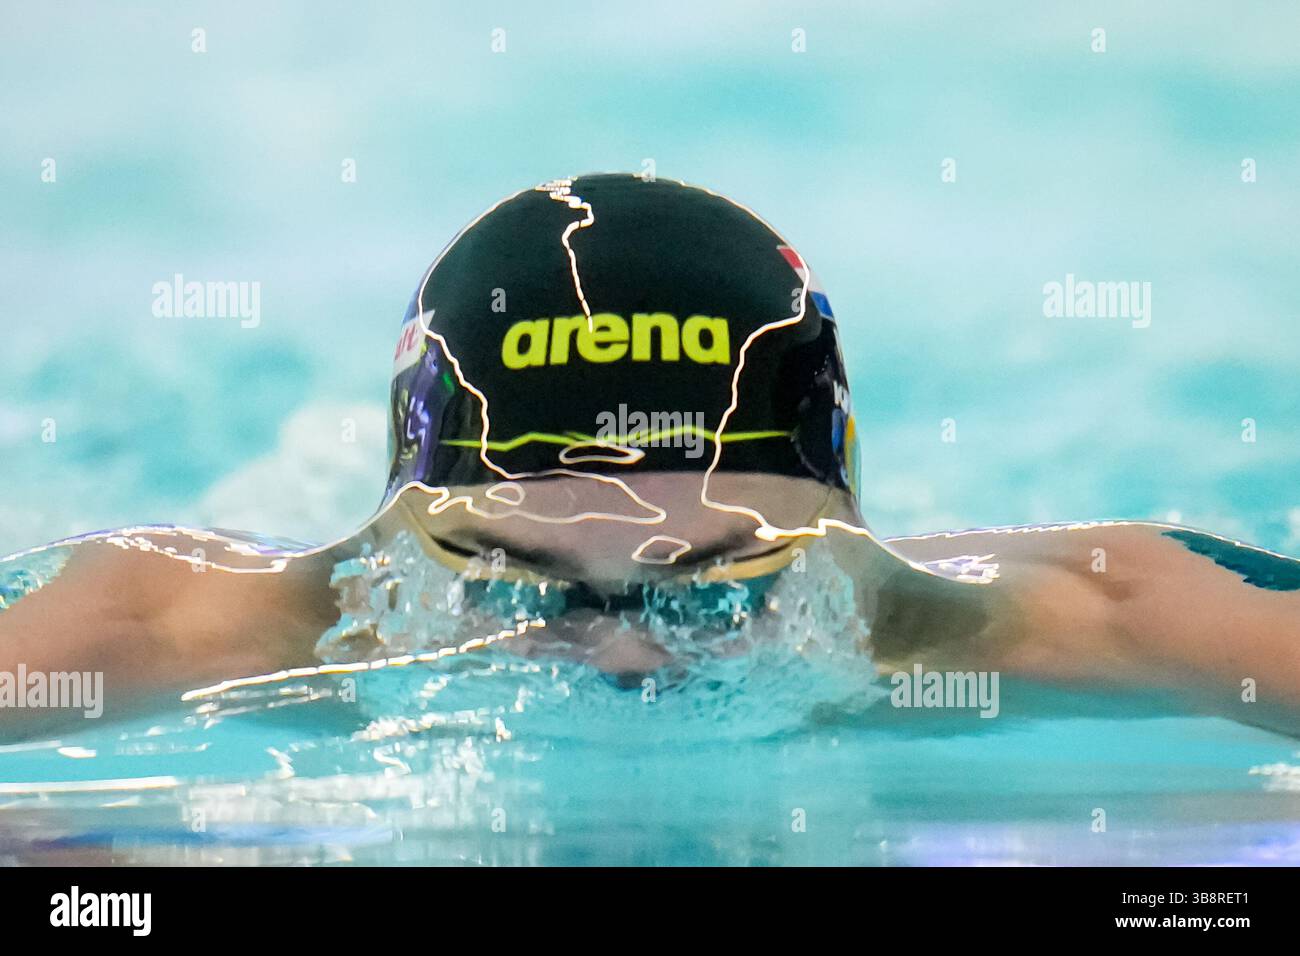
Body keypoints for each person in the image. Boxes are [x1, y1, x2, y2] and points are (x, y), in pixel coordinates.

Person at [2, 174, 1297, 736]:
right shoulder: (174, 629)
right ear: (393, 529)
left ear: (847, 520)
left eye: (724, 579)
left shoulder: (1058, 619)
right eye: (508, 573)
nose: (625, 658)